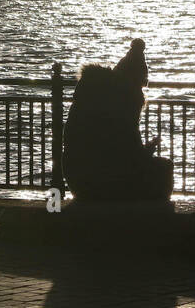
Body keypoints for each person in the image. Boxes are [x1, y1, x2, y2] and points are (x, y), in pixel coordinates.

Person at [62, 63, 172, 203]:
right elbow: (130, 157)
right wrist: (149, 148)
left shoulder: (86, 101)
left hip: (77, 179)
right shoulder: (117, 113)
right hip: (102, 182)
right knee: (165, 167)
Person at [113, 38, 149, 120]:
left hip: (122, 97)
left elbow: (114, 73)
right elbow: (144, 81)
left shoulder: (124, 61)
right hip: (133, 98)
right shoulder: (141, 62)